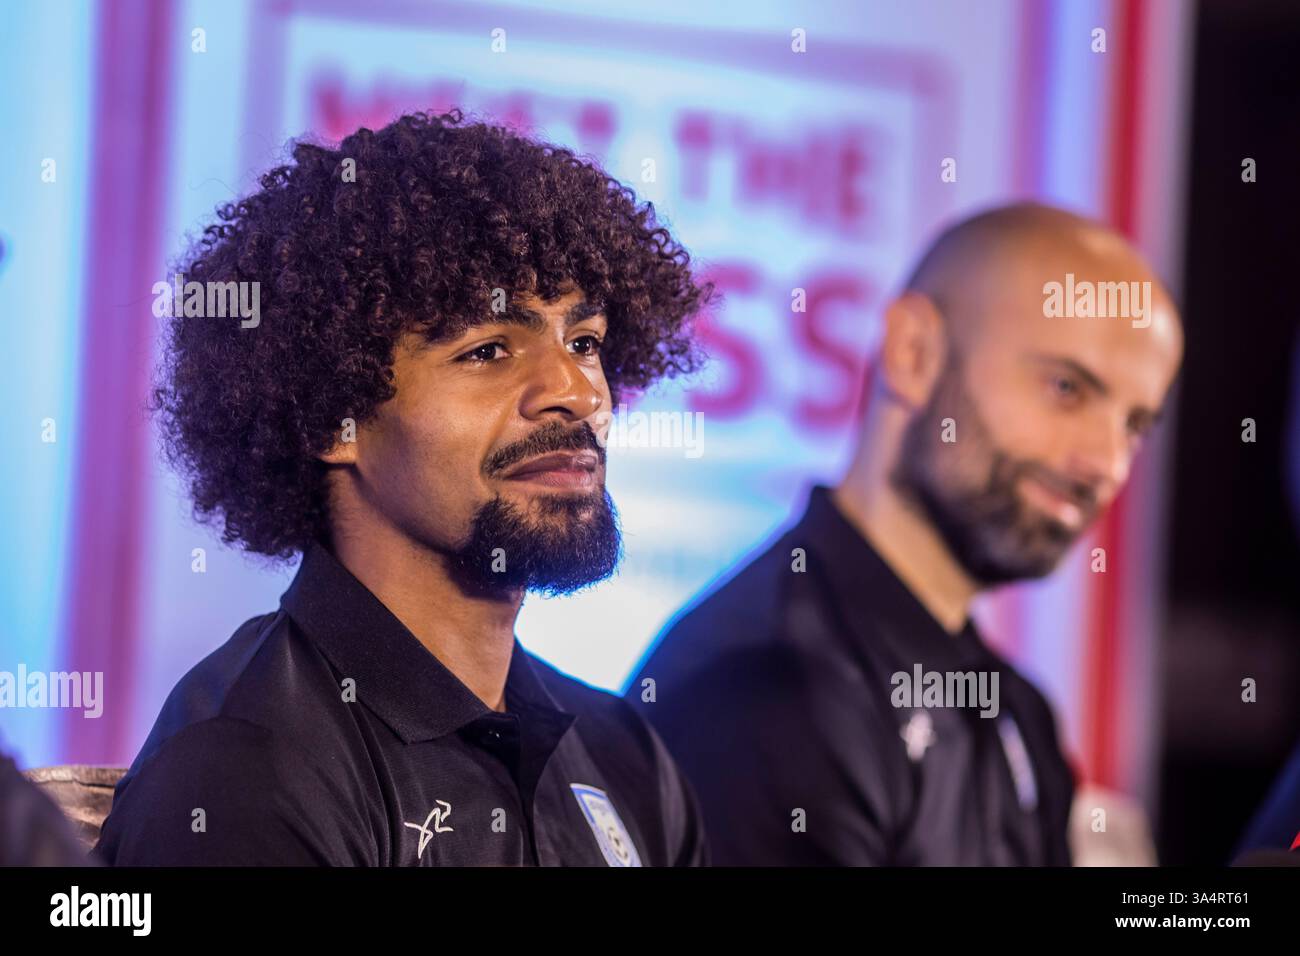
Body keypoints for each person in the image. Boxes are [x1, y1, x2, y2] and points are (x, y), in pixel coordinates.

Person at [95, 109, 713, 866]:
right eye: (489, 350)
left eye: (584, 342)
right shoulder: (243, 773)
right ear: (332, 417)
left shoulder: (630, 763)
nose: (577, 393)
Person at [627, 202, 1184, 865]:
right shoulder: (760, 689)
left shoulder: (1019, 714)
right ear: (914, 353)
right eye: (1067, 388)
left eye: (1135, 425)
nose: (1107, 463)